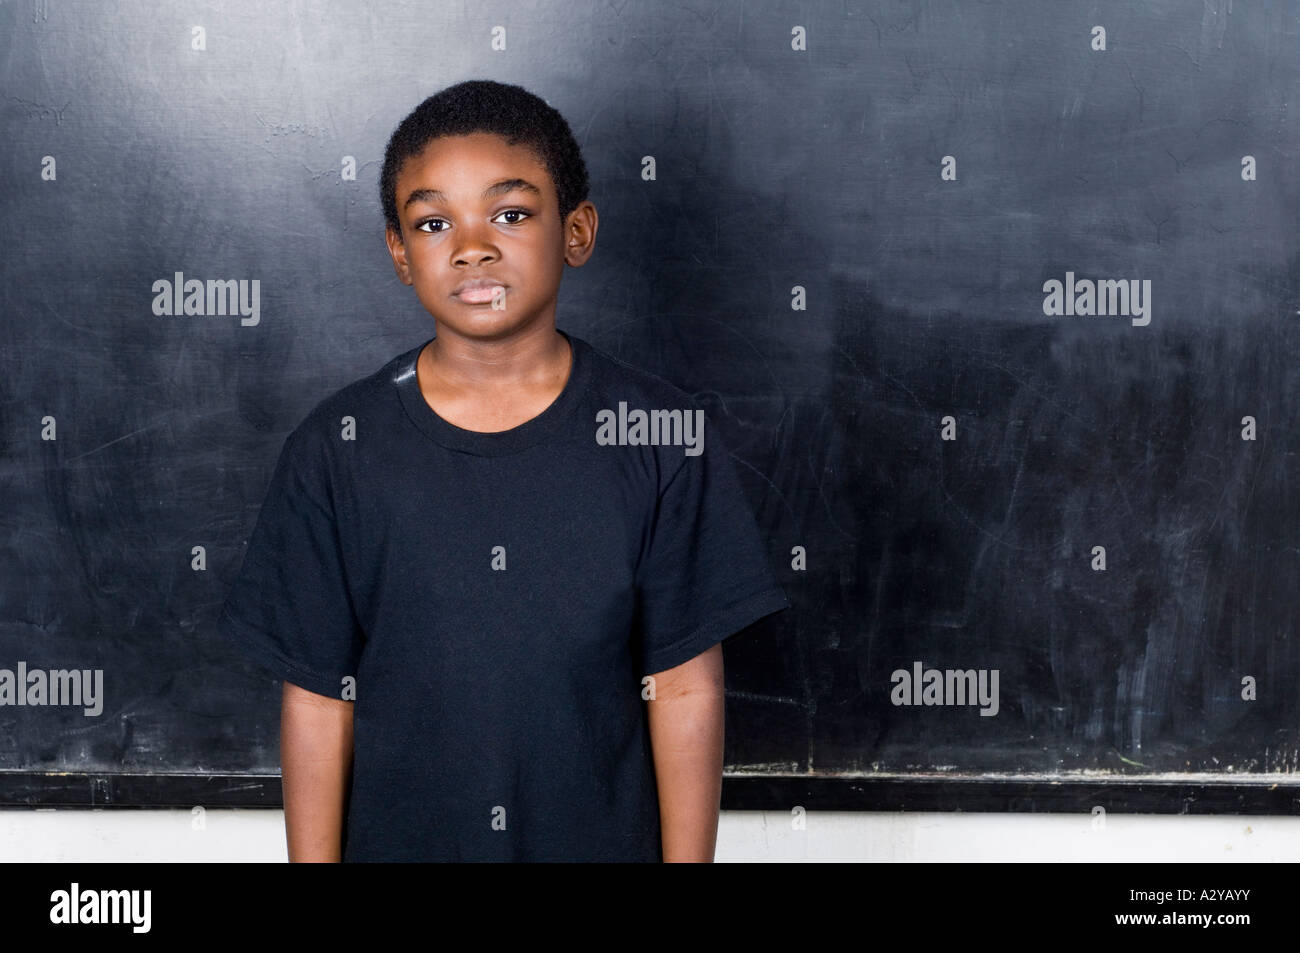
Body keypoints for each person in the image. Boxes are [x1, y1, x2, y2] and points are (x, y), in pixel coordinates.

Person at [218, 79, 790, 862]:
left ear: (577, 231)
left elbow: (686, 687)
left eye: (511, 213)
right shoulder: (336, 449)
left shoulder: (661, 438)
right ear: (399, 254)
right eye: (432, 221)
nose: (472, 245)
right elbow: (318, 703)